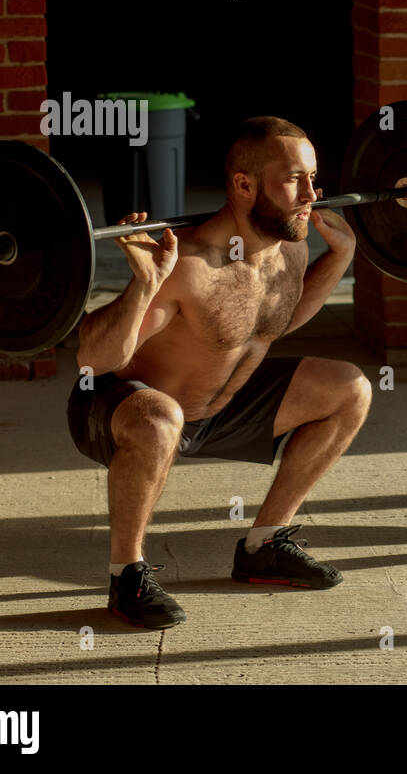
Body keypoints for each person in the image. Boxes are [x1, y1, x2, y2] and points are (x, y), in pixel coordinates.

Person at [67, 116, 371, 627]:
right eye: (295, 178)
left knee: (350, 388)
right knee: (161, 416)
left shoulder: (290, 250)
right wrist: (143, 286)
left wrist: (341, 257)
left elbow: (276, 322)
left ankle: (263, 546)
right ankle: (127, 575)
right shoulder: (189, 264)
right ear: (244, 184)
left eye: (314, 178)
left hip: (219, 411)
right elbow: (94, 362)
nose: (312, 194)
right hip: (125, 410)